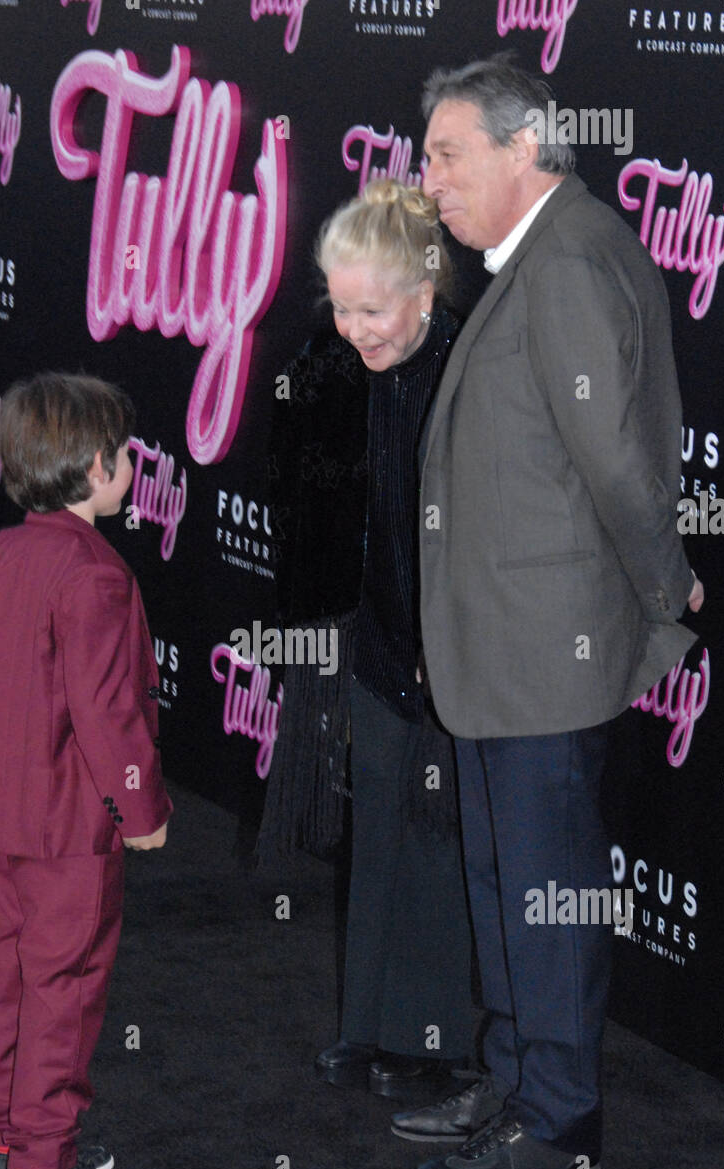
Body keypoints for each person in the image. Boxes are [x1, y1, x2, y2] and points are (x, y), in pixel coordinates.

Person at [392, 56, 704, 1169]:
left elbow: (617, 462)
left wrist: (667, 584)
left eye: (447, 154)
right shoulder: (541, 253)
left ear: (526, 150)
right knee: (504, 879)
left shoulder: (565, 262)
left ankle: (558, 1115)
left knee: (543, 886)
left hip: (544, 652)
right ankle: (518, 1069)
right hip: (504, 651)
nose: (428, 181)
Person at [263, 180, 474, 1102]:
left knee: (437, 846)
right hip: (373, 638)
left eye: (372, 309)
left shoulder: (468, 369)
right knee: (379, 837)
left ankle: (434, 1043)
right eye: (339, 306)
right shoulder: (339, 365)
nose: (353, 327)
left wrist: (449, 636)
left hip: (456, 653)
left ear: (425, 293)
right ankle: (367, 1030)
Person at [0, 372, 172, 1169]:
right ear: (94, 465)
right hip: (73, 828)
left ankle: (1, 1145)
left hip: (3, 815)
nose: (132, 466)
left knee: (7, 980)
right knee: (65, 988)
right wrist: (143, 810)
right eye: (125, 454)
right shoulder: (96, 575)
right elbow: (109, 713)